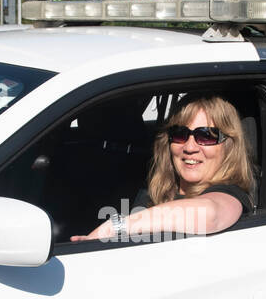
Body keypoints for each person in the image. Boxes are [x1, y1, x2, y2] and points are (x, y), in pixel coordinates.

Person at [73, 94, 255, 242]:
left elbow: (210, 214)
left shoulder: (230, 194)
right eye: (180, 134)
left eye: (206, 136)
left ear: (229, 145)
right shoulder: (152, 192)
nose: (190, 147)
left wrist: (113, 228)